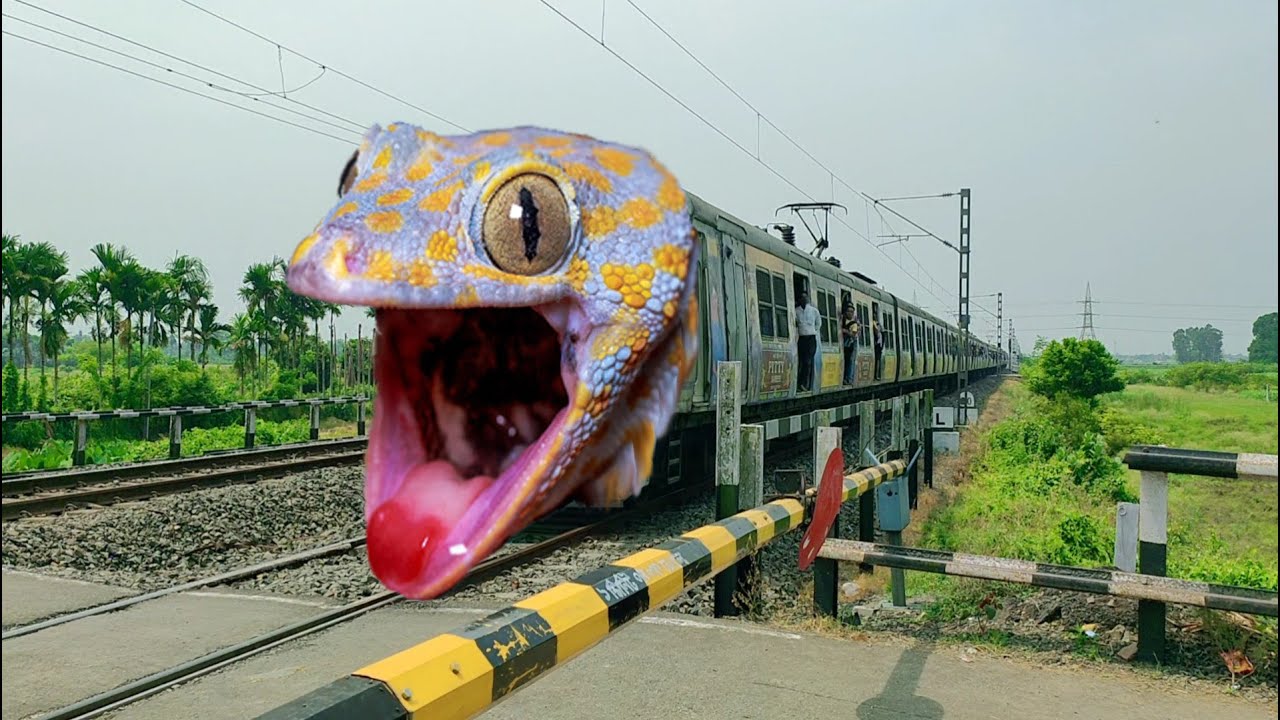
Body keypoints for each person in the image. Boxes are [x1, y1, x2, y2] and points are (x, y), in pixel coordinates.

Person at [795, 291, 820, 392]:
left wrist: (813, 331)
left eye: (806, 298)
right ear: (799, 300)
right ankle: (799, 383)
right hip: (801, 338)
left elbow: (818, 323)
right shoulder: (796, 311)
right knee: (801, 360)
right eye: (802, 298)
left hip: (811, 338)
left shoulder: (814, 311)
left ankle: (805, 383)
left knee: (808, 361)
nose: (804, 300)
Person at [841, 302, 859, 385]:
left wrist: (846, 331)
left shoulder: (854, 323)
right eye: (848, 311)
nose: (850, 313)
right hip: (843, 344)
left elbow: (854, 335)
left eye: (852, 312)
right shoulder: (843, 319)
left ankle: (848, 378)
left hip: (849, 345)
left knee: (849, 361)